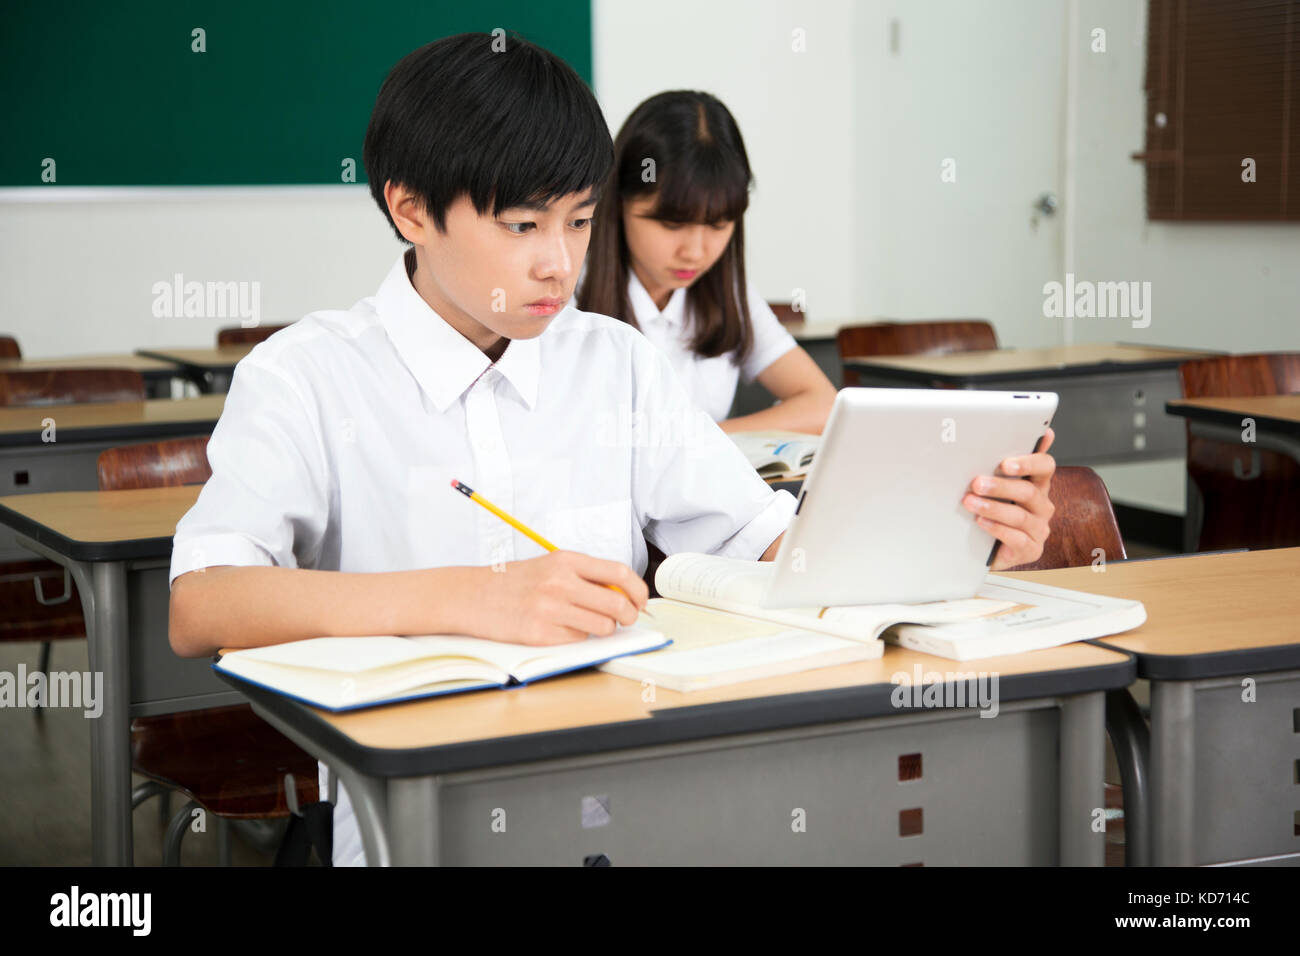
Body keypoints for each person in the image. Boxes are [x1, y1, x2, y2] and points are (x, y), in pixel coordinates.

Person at [168, 34, 1058, 866]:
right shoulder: (305, 377)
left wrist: (960, 533)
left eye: (582, 221)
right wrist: (475, 599)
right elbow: (203, 607)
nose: (560, 263)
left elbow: (773, 541)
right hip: (420, 825)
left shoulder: (616, 364)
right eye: (523, 227)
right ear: (410, 209)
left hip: (627, 803)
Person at [579, 90, 837, 432]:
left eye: (718, 225)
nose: (696, 252)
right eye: (672, 225)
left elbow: (822, 404)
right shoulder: (567, 291)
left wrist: (704, 442)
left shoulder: (728, 291)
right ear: (619, 202)